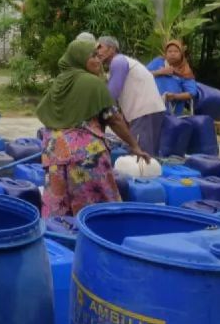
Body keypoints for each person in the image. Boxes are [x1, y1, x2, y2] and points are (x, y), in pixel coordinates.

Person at [37, 40, 152, 217]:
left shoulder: (60, 81)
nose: (98, 61)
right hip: (86, 156)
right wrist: (134, 146)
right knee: (95, 210)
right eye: (92, 56)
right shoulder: (92, 83)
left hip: (54, 155)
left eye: (99, 56)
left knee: (59, 210)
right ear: (80, 58)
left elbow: (44, 110)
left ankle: (60, 241)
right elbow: (114, 119)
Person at [96, 36, 166, 155]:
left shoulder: (118, 61)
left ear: (112, 49)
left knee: (140, 155)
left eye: (100, 47)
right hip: (151, 110)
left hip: (143, 112)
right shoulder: (125, 62)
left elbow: (111, 95)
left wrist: (99, 113)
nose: (97, 51)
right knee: (149, 154)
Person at [147, 40, 198, 115]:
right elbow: (143, 75)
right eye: (169, 51)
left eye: (176, 51)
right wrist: (161, 72)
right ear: (166, 53)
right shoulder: (158, 62)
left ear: (181, 54)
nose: (172, 54)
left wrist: (174, 96)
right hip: (149, 106)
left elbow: (192, 93)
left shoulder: (185, 71)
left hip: (171, 111)